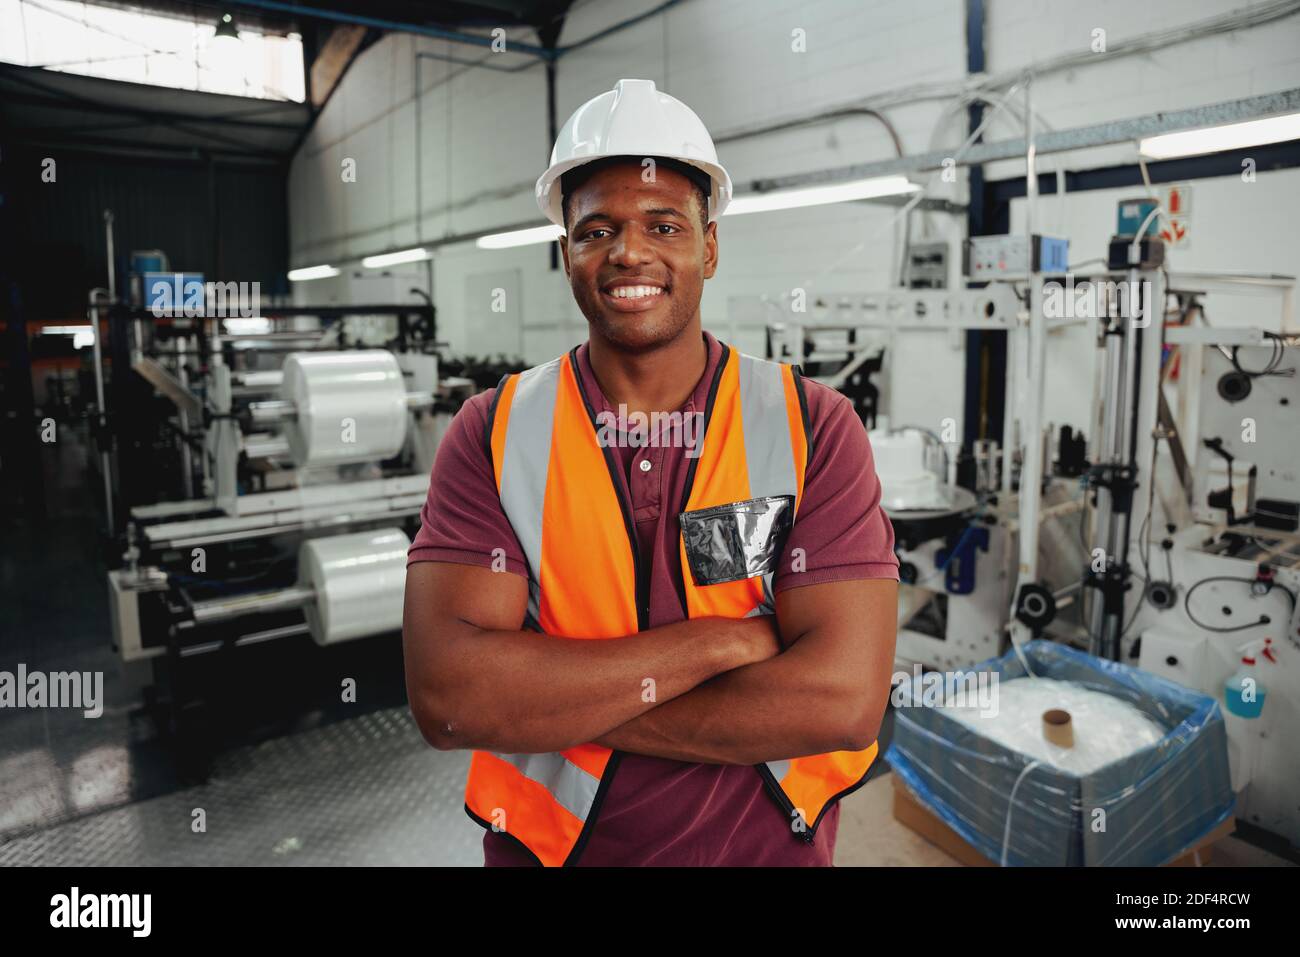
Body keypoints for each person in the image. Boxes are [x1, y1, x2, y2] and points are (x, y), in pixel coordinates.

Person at [403, 79, 899, 866]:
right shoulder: (494, 432)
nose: (629, 251)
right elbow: (451, 700)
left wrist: (543, 701)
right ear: (565, 250)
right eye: (596, 228)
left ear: (708, 245)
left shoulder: (809, 426)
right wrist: (717, 645)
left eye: (663, 224)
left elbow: (842, 701)